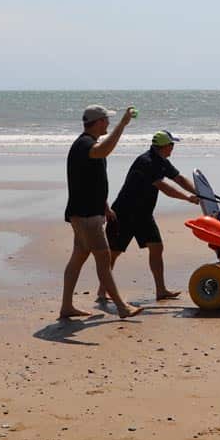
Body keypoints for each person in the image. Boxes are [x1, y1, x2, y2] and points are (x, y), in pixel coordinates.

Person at [60, 104, 144, 320]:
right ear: (98, 122)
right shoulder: (85, 144)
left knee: (78, 257)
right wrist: (123, 124)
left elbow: (89, 180)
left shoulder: (87, 144)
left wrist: (105, 206)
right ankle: (122, 307)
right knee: (103, 259)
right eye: (107, 120)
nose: (108, 123)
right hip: (86, 215)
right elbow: (104, 150)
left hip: (86, 212)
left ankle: (66, 307)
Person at [99, 130, 200, 301]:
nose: (173, 148)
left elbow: (179, 179)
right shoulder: (146, 162)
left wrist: (198, 193)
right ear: (165, 146)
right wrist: (188, 198)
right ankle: (102, 291)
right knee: (114, 253)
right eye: (172, 144)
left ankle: (161, 290)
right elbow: (164, 187)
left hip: (143, 214)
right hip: (124, 213)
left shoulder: (162, 161)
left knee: (156, 247)